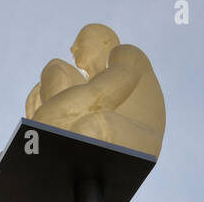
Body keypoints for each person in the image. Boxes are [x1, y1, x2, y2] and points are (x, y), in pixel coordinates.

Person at [24, 23, 165, 158]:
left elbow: (100, 94)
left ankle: (48, 138)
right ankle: (51, 140)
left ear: (105, 40)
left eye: (81, 40)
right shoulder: (87, 83)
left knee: (89, 126)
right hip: (102, 122)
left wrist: (39, 123)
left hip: (139, 138)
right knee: (56, 67)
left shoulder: (126, 53)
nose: (72, 48)